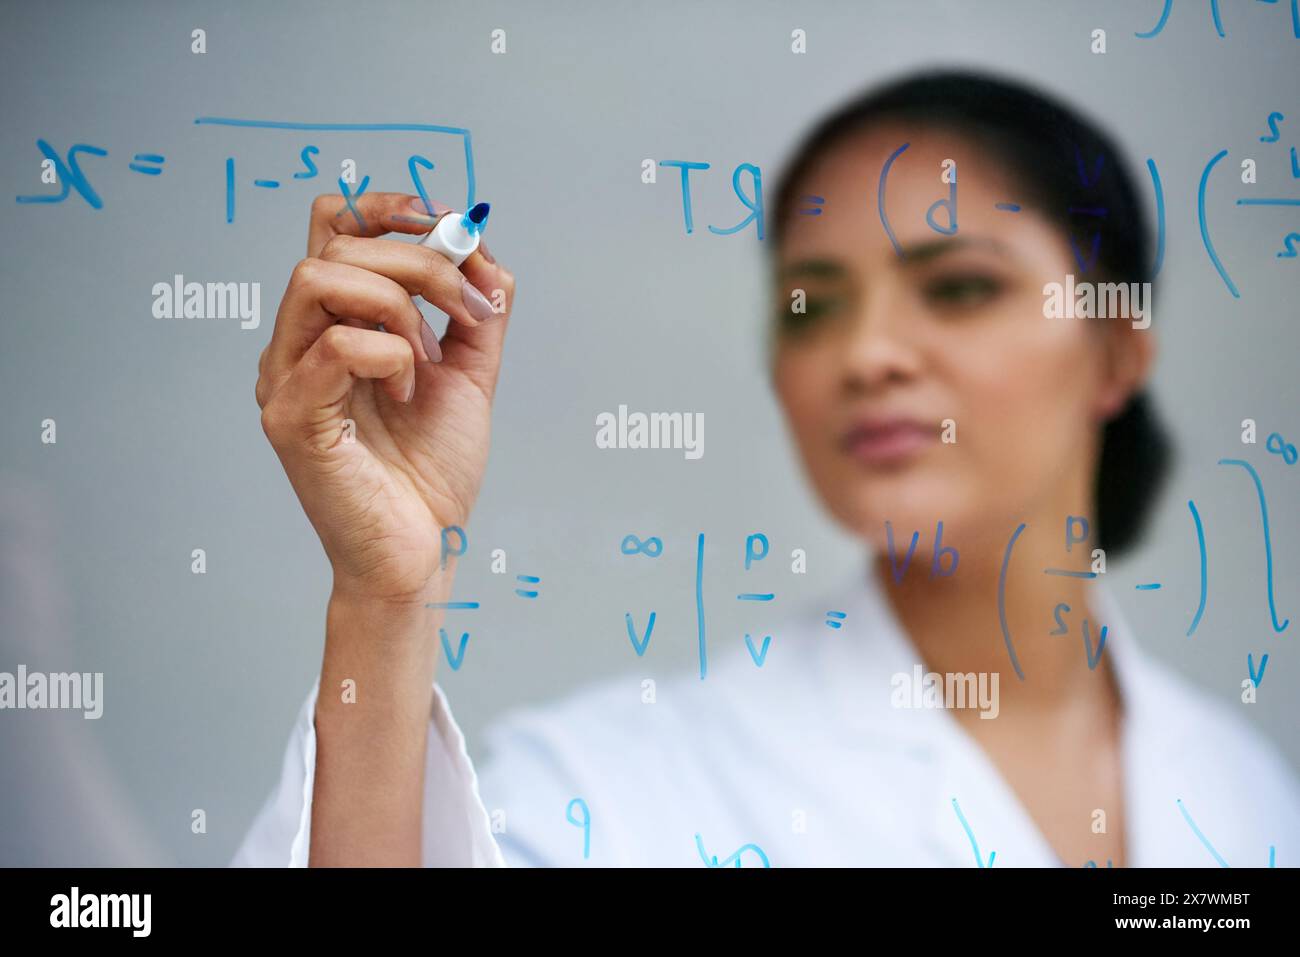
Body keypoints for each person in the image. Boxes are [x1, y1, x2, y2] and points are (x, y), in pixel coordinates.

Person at [234, 69, 1298, 867]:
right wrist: (386, 596)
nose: (867, 352)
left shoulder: (1248, 799)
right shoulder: (606, 790)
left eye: (961, 287)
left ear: (1114, 348)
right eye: (812, 304)